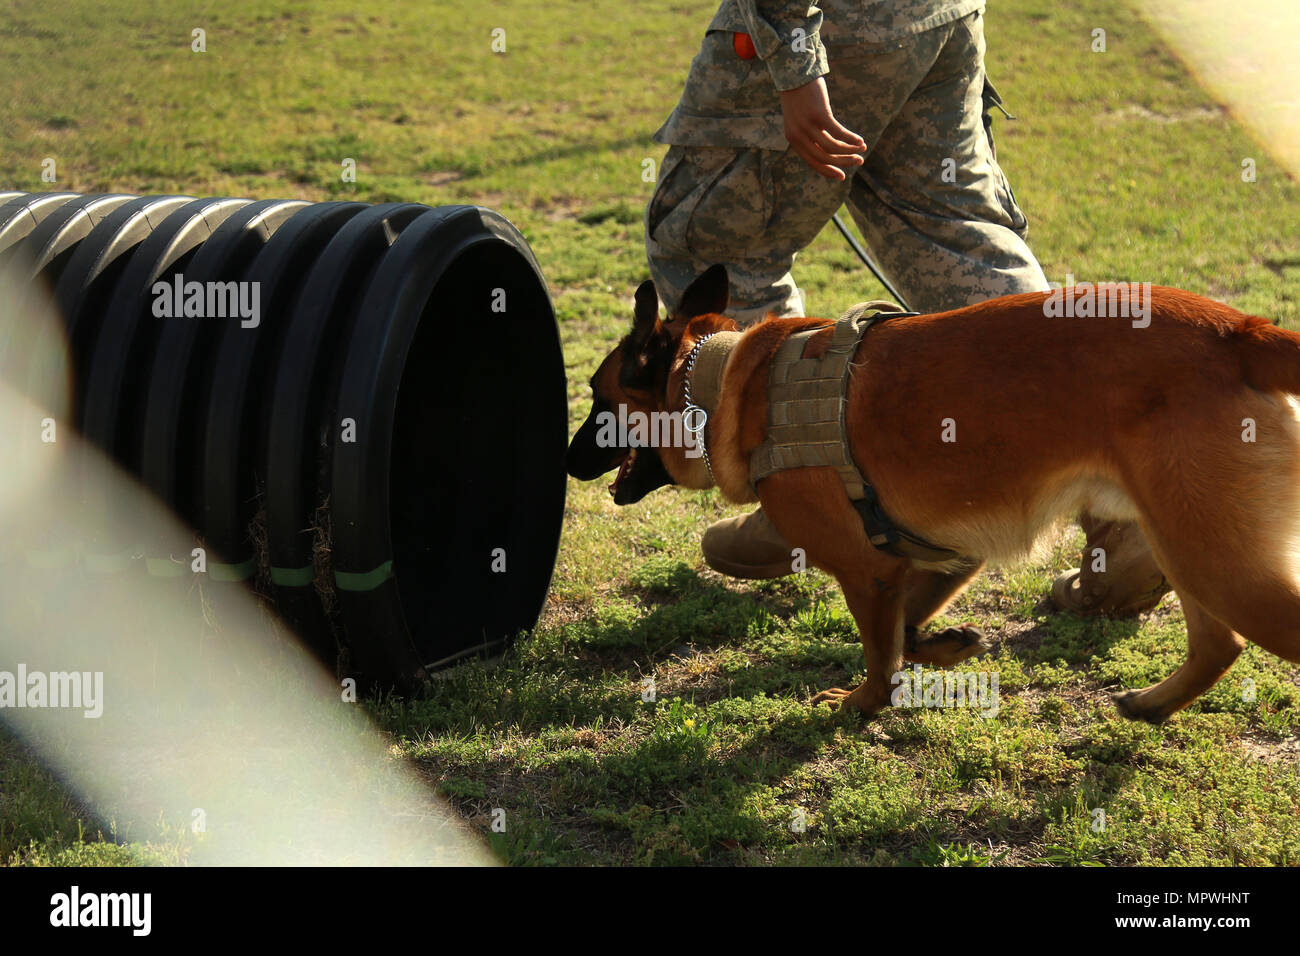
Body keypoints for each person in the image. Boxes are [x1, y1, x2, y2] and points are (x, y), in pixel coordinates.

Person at [643, 0, 1169, 616]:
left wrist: (795, 62)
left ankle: (799, 496)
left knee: (714, 245)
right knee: (958, 240)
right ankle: (1123, 510)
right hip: (939, 17)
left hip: (836, 27)